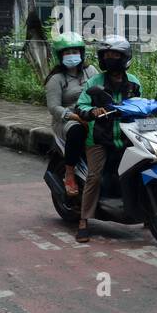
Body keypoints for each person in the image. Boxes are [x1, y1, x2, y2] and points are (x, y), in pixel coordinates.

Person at [75, 35, 143, 244]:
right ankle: (84, 220)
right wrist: (93, 111)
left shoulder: (133, 82)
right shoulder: (95, 83)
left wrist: (156, 104)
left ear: (124, 57)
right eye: (106, 55)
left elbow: (141, 103)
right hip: (100, 138)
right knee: (94, 176)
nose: (110, 58)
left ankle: (149, 213)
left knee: (142, 168)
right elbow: (81, 106)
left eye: (115, 54)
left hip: (127, 135)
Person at [44, 31, 98, 200]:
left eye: (75, 52)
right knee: (77, 131)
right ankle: (70, 174)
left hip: (91, 114)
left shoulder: (91, 71)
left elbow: (104, 92)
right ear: (60, 56)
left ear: (81, 53)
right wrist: (76, 118)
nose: (72, 56)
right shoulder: (56, 79)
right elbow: (54, 108)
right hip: (67, 120)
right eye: (67, 52)